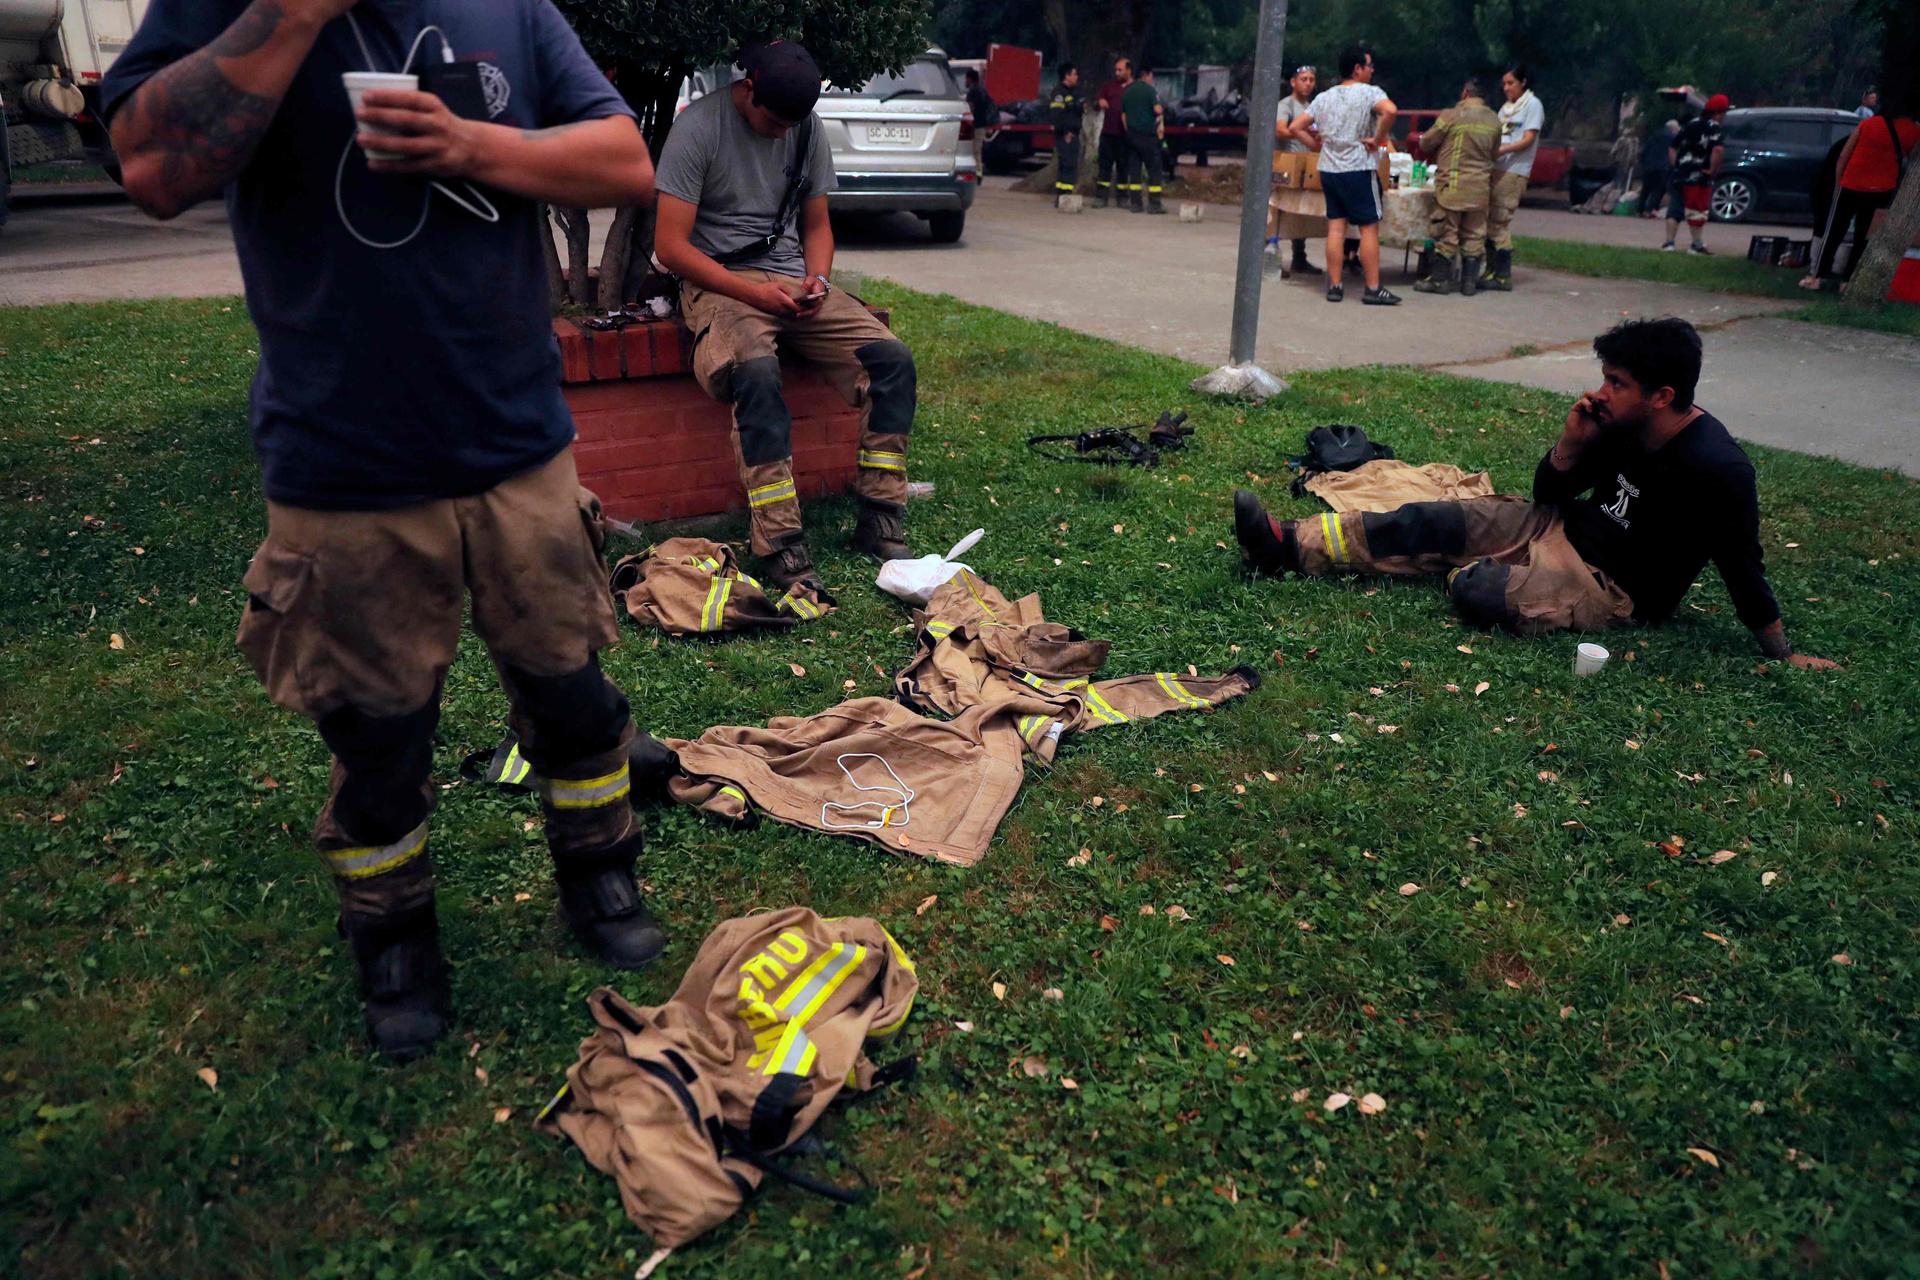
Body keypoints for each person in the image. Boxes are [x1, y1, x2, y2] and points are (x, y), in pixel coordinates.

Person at [101, 0, 663, 1061]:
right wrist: (290, 17)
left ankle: (600, 870)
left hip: (516, 445)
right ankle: (393, 939)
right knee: (375, 733)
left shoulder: (510, 8)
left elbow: (627, 163)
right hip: (343, 463)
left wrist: (472, 146)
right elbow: (150, 171)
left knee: (572, 691)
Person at [1233, 317, 1838, 669]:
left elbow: (1741, 563)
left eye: (1617, 383)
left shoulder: (1718, 468)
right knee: (1436, 519)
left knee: (1478, 591)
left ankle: (1473, 569)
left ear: (1663, 395)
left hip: (1612, 587)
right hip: (1559, 527)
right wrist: (1572, 442)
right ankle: (1284, 545)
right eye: (1605, 377)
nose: (1601, 391)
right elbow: (1549, 491)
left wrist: (1780, 652)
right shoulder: (1619, 423)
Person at [654, 40, 917, 594]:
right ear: (747, 88)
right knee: (754, 371)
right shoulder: (698, 129)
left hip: (794, 281)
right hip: (718, 282)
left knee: (891, 360)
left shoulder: (804, 127)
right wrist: (755, 295)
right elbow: (671, 247)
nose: (780, 132)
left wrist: (817, 280)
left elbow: (817, 225)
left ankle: (880, 517)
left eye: (790, 123)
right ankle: (780, 543)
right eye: (772, 120)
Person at [1287, 43, 1400, 305]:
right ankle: (1373, 288)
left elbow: (1296, 126)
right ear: (1357, 68)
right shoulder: (1370, 93)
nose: (1371, 71)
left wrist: (1315, 144)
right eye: (1369, 66)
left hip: (1329, 169)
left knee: (1336, 228)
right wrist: (1378, 137)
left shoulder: (1324, 96)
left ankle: (1335, 286)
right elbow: (1391, 110)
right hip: (1359, 168)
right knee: (1368, 228)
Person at [1802, 101, 1916, 288]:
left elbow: (1843, 156)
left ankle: (1817, 276)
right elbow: (1911, 162)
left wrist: (1839, 183)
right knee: (1863, 238)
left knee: (1834, 232)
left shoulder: (1869, 123)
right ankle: (1847, 281)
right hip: (1881, 190)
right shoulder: (1913, 131)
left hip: (1851, 184)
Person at [1412, 76, 1500, 296]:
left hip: (1453, 186)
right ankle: (1469, 283)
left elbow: (1426, 142)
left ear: (1465, 93)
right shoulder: (1494, 120)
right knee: (1474, 235)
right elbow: (1495, 153)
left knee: (1447, 233)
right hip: (1480, 188)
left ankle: (1440, 281)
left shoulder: (1452, 115)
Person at [1484, 64, 1543, 290]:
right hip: (1497, 168)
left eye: (1511, 83)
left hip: (1515, 170)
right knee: (1490, 220)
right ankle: (1490, 271)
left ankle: (1502, 275)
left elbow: (1528, 139)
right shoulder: (1506, 108)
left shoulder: (1533, 105)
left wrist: (1504, 150)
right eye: (1504, 84)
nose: (1506, 88)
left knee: (1500, 220)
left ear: (1523, 82)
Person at [1268, 64, 1321, 277]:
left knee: (1299, 212)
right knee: (1277, 213)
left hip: (1304, 166)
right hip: (1284, 166)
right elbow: (1280, 130)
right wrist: (1299, 132)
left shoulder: (1310, 108)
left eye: (1311, 80)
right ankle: (1270, 255)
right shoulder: (1286, 105)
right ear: (1293, 82)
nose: (1307, 83)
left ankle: (1299, 257)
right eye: (1303, 79)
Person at [1664, 93, 1728, 254]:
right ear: (1718, 113)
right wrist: (1712, 169)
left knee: (1675, 208)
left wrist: (1676, 165)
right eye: (1724, 113)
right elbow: (1718, 150)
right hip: (1700, 175)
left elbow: (1672, 147)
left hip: (1681, 173)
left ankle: (1669, 243)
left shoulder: (1690, 124)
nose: (1724, 117)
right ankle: (1696, 245)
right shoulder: (1714, 127)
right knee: (1697, 210)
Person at [1119, 64, 1167, 214]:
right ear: (1146, 75)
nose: (1152, 80)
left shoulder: (1127, 91)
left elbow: (1123, 116)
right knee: (1154, 169)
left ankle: (1135, 203)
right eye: (1151, 76)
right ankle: (1154, 204)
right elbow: (1157, 110)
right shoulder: (1150, 91)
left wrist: (1130, 131)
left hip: (1132, 136)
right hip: (1148, 137)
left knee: (1134, 170)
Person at [1093, 57, 1133, 208]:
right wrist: (1099, 103)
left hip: (1125, 136)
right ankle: (1101, 197)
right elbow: (1096, 103)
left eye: (1120, 70)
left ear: (1129, 70)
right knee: (1104, 167)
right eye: (1115, 69)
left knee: (1124, 167)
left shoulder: (1134, 87)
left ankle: (1122, 197)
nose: (1116, 72)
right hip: (1108, 134)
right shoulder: (1108, 86)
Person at [1048, 63, 1083, 202]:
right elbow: (1056, 116)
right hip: (1066, 135)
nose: (1077, 77)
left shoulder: (1073, 92)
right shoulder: (1059, 93)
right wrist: (1065, 132)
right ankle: (1063, 196)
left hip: (1073, 133)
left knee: (1070, 165)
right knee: (1067, 165)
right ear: (1067, 76)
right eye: (1074, 74)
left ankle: (1064, 195)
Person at [1639, 119, 1676, 218]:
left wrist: (1643, 163)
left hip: (1648, 166)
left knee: (1645, 189)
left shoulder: (1654, 135)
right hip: (1663, 167)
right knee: (1657, 190)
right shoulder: (1673, 138)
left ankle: (1640, 210)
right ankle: (1648, 210)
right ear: (1673, 128)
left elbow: (1644, 150)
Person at [964, 68, 995, 178]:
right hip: (981, 125)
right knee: (977, 151)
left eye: (966, 79)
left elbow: (970, 108)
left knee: (974, 151)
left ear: (970, 79)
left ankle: (977, 174)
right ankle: (978, 173)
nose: (965, 82)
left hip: (975, 126)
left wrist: (967, 122)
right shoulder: (982, 90)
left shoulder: (973, 91)